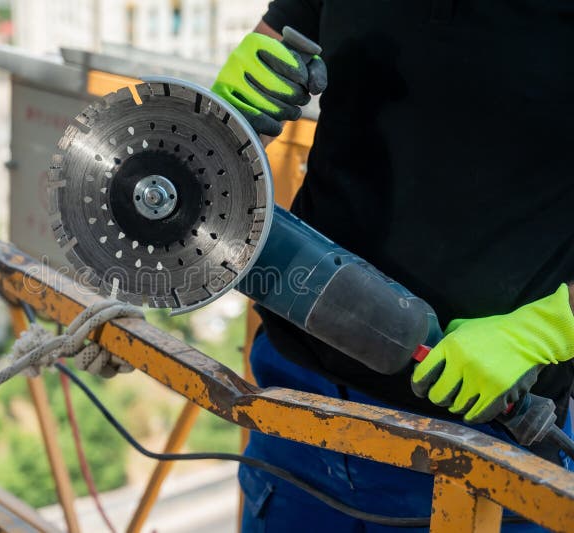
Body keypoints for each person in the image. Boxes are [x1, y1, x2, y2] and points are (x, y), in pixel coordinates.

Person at [211, 1, 574, 531]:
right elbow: (267, 60)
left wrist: (551, 328)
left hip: (489, 446)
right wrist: (226, 119)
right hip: (295, 403)